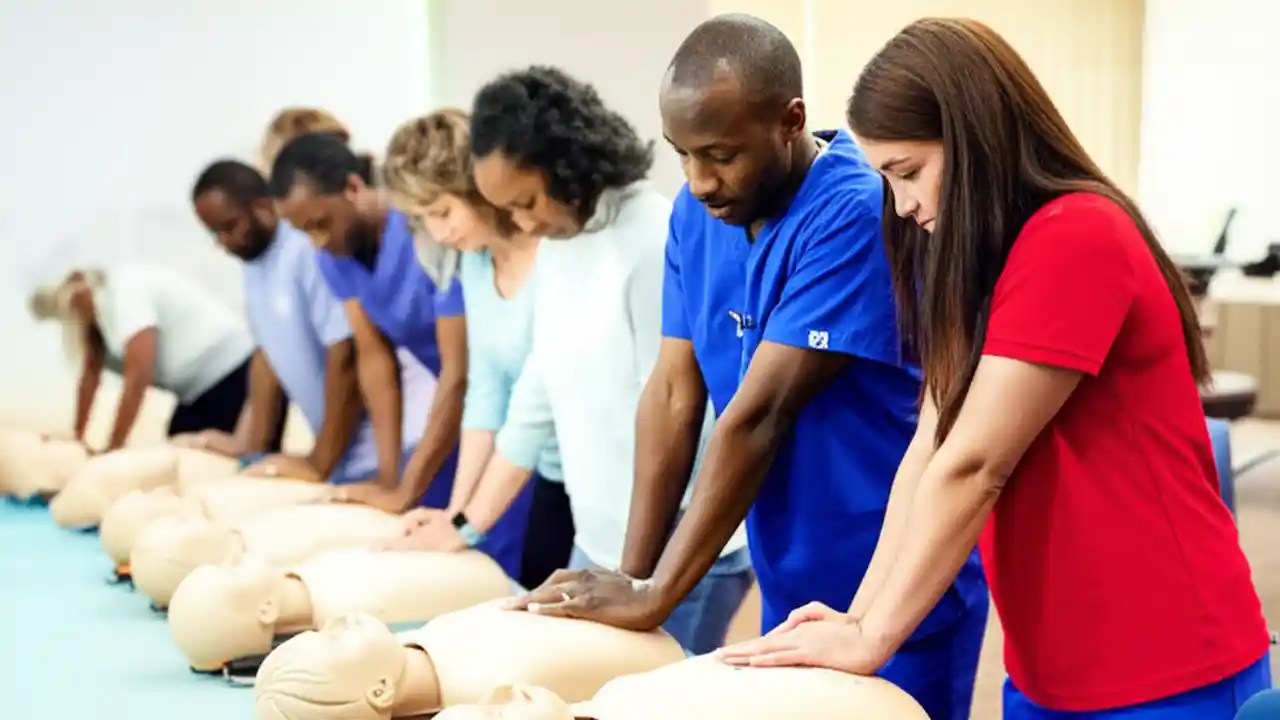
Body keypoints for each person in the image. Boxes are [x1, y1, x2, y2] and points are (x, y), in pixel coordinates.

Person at [718, 17, 1273, 720]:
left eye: (910, 173)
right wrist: (858, 618)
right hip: (1050, 663)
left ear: (974, 138)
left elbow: (976, 464)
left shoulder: (1077, 235)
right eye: (886, 179)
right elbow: (929, 449)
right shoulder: (980, 261)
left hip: (1167, 663)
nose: (903, 204)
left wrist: (872, 637)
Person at [508, 16, 987, 720]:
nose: (701, 181)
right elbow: (674, 393)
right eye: (684, 156)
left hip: (892, 585)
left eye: (721, 154)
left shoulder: (856, 209)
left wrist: (656, 597)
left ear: (790, 121)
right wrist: (633, 576)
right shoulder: (699, 216)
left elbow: (759, 415)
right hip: (791, 583)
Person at [402, 66, 753, 655]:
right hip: (599, 549)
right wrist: (466, 524)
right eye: (508, 210)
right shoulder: (561, 244)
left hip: (678, 557)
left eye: (527, 202)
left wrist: (639, 577)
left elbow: (677, 414)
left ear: (568, 166)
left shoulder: (650, 239)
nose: (522, 223)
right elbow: (537, 393)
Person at [380, 109, 573, 589]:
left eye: (444, 212)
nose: (440, 233)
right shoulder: (475, 265)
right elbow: (486, 393)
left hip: (610, 473)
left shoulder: (557, 254)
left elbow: (537, 403)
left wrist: (470, 524)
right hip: (554, 475)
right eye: (426, 220)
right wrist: (455, 512)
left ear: (477, 187)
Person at [268, 132, 466, 517]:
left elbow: (460, 372)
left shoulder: (422, 232)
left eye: (320, 223)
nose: (316, 241)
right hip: (454, 413)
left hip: (477, 400)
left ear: (354, 187)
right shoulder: (335, 260)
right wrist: (389, 476)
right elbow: (375, 358)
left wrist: (404, 488)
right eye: (304, 231)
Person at [191, 159, 417, 486]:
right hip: (340, 458)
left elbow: (347, 358)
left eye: (230, 226)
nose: (224, 241)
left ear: (262, 206)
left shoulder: (305, 248)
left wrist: (318, 462)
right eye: (215, 233)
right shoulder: (253, 267)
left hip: (379, 449)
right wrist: (248, 446)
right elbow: (268, 357)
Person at [28, 263, 269, 452]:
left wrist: (114, 448)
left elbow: (140, 374)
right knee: (180, 437)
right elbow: (90, 378)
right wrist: (77, 437)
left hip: (237, 374)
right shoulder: (99, 327)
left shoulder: (123, 292)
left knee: (203, 456)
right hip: (200, 393)